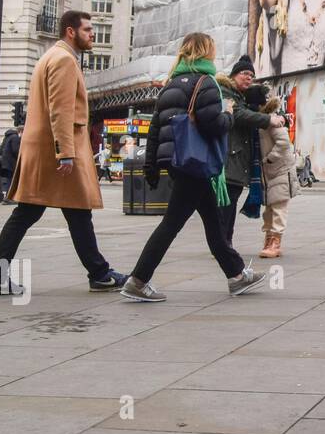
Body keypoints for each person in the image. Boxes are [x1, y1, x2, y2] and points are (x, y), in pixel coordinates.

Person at [0, 11, 126, 295]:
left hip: (48, 147)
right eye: (87, 29)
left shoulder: (51, 56)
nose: (92, 34)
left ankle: (98, 271)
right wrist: (65, 152)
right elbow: (60, 109)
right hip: (55, 149)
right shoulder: (64, 60)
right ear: (71, 31)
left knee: (69, 211)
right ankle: (97, 272)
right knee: (38, 212)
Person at [121, 32, 267, 302]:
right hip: (194, 161)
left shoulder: (171, 83)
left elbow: (155, 128)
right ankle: (138, 280)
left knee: (213, 222)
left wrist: (151, 166)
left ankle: (236, 275)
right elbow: (213, 124)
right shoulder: (205, 83)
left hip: (177, 161)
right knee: (172, 224)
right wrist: (229, 114)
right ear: (206, 52)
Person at [216, 56, 280, 245]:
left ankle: (225, 242)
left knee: (229, 204)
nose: (249, 77)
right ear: (234, 75)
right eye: (244, 73)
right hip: (228, 159)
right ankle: (223, 244)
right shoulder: (225, 93)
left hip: (236, 158)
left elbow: (252, 111)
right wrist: (268, 120)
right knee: (226, 205)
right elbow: (239, 114)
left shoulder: (240, 96)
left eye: (251, 75)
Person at [256, 95, 297, 258]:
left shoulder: (273, 121)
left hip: (279, 169)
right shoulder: (262, 121)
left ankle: (275, 242)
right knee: (269, 209)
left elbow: (283, 143)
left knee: (279, 207)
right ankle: (268, 239)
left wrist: (269, 159)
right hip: (269, 171)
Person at [0, 125, 22, 202]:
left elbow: (0, 149)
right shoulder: (15, 138)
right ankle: (9, 198)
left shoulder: (8, 137)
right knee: (11, 181)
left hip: (6, 162)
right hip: (11, 163)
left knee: (9, 180)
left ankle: (8, 197)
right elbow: (16, 150)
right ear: (21, 131)